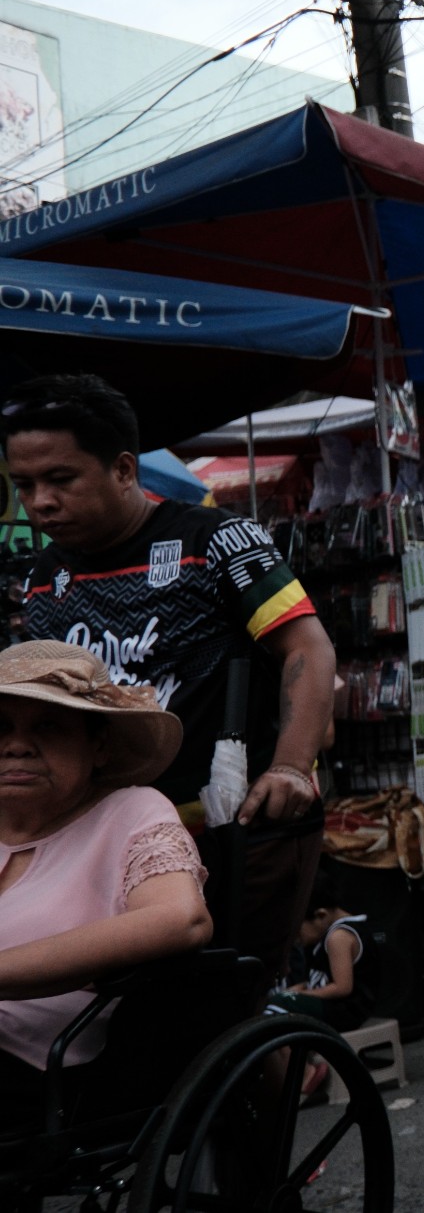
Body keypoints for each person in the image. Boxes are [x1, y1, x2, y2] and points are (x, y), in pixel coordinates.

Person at [5, 375, 336, 982]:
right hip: (116, 837)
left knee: (229, 997)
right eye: (24, 485)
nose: (40, 502)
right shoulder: (42, 579)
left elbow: (307, 646)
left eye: (60, 479)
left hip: (236, 825)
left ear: (124, 469)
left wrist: (291, 767)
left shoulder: (218, 542)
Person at [0, 642, 207, 1128]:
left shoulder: (131, 812)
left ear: (100, 744)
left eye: (47, 726)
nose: (16, 745)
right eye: (1, 727)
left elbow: (182, 919)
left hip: (56, 1070)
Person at [266, 868, 374, 1034]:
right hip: (330, 1006)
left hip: (344, 1012)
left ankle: (300, 1061)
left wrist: (305, 995)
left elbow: (342, 987)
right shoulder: (328, 934)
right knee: (278, 999)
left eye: (298, 929)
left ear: (320, 915)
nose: (296, 938)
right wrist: (299, 988)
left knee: (277, 1005)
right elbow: (323, 978)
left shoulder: (338, 937)